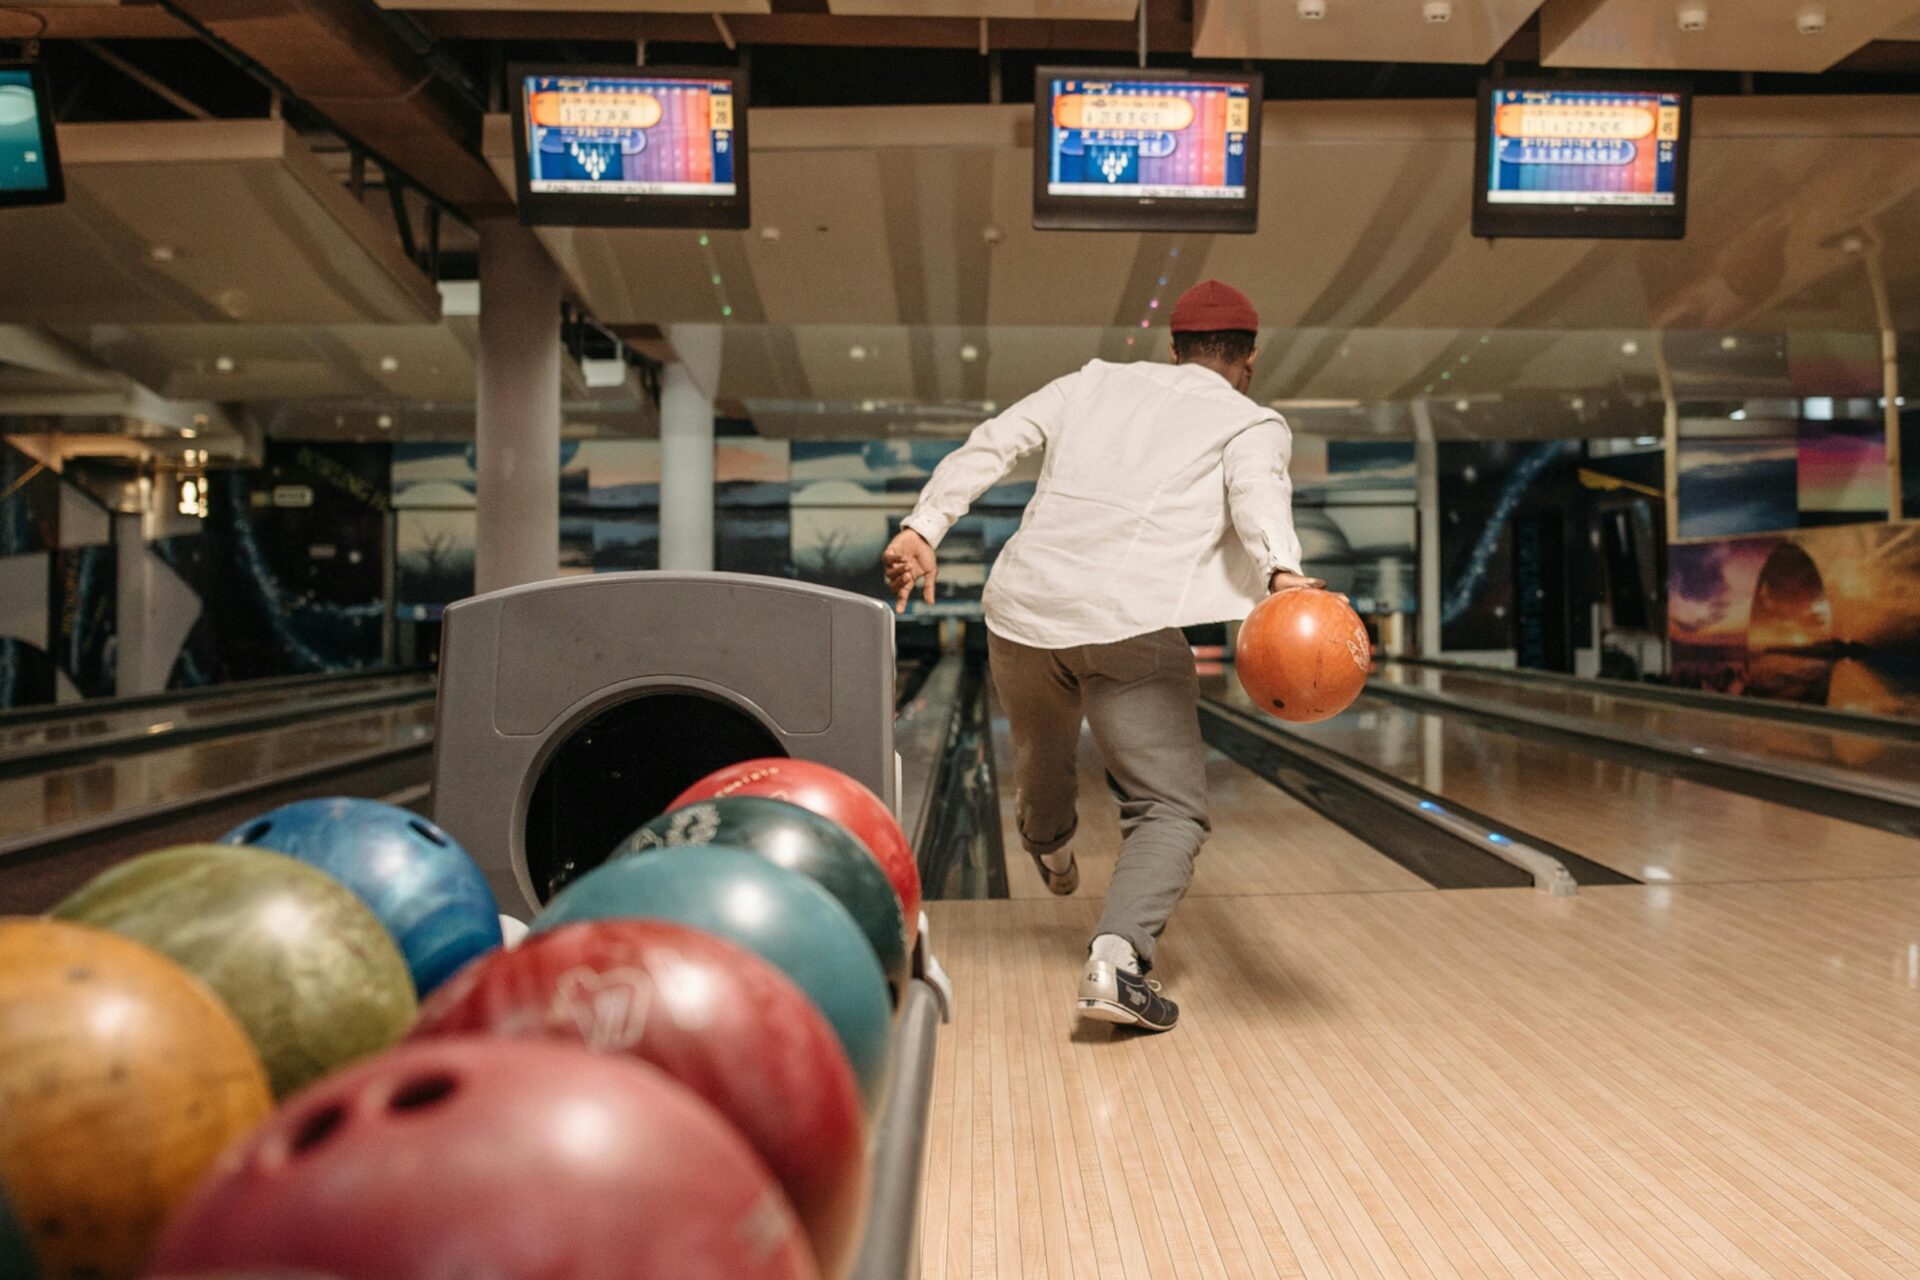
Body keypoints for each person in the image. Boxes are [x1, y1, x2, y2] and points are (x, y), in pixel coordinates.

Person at [882, 279, 1316, 1032]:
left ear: (1173, 349)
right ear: (1248, 358)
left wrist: (925, 526)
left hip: (1023, 612)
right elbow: (1258, 497)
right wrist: (1283, 574)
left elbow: (996, 441)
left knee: (1042, 760)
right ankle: (1117, 963)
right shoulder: (1252, 420)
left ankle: (1050, 850)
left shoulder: (1091, 381)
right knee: (1171, 806)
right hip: (1132, 622)